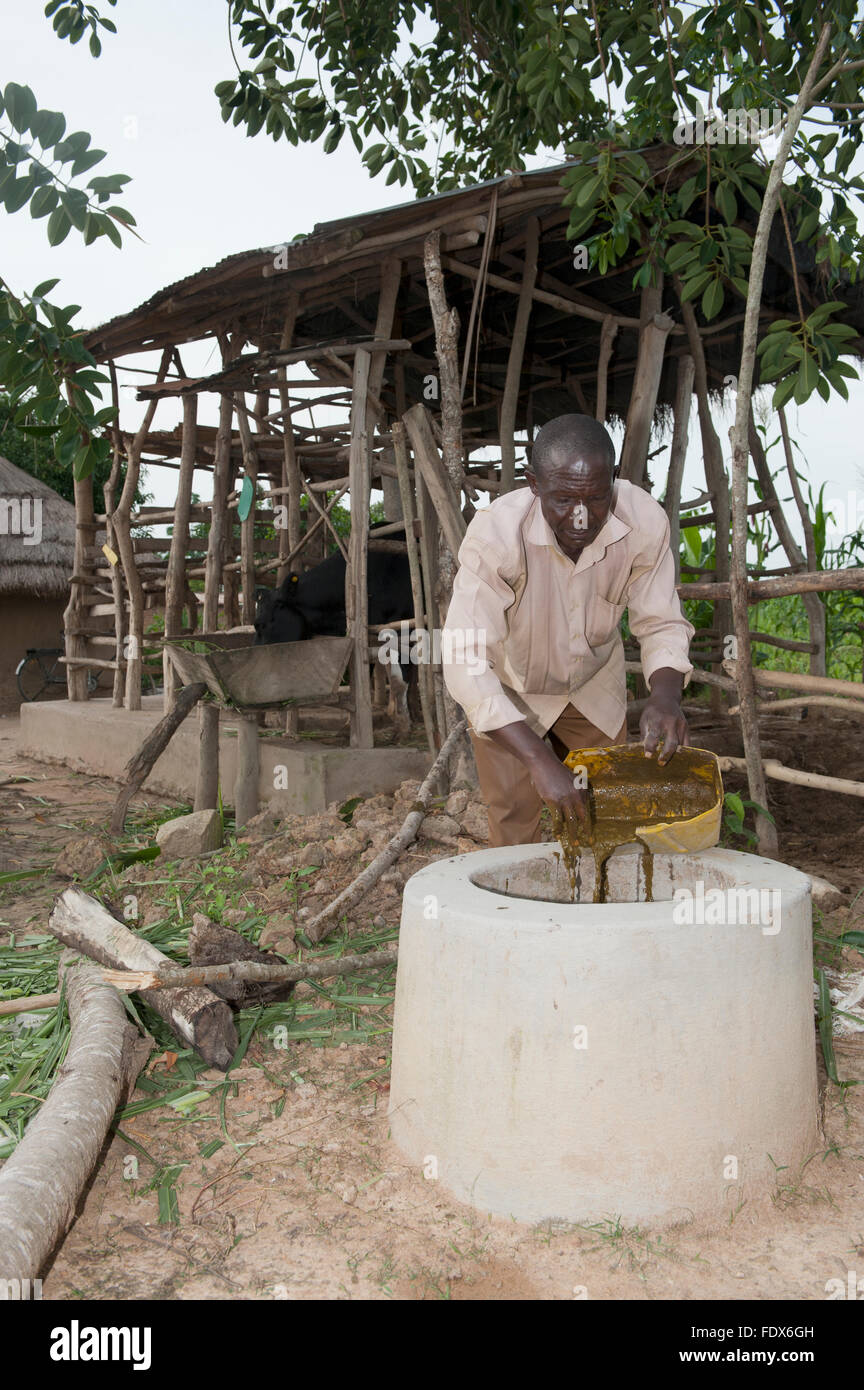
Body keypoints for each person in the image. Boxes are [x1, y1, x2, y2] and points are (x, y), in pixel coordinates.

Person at [441, 413, 694, 847]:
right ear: (533, 484)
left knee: (602, 821)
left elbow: (661, 621)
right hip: (512, 693)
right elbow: (464, 658)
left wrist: (666, 698)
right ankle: (520, 913)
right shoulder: (497, 535)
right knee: (514, 822)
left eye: (596, 498)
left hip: (594, 686)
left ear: (613, 479)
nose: (581, 518)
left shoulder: (644, 522)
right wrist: (539, 759)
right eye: (562, 500)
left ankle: (594, 911)